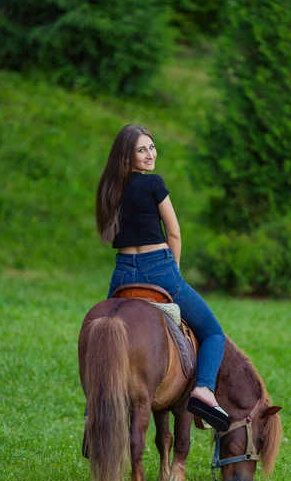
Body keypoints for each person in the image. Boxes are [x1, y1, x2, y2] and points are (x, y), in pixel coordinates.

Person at [95, 124, 230, 432]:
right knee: (212, 333)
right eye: (142, 150)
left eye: (152, 147)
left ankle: (95, 413)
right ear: (126, 157)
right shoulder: (154, 183)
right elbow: (174, 232)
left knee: (104, 342)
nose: (150, 154)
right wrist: (174, 271)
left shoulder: (109, 189)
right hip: (160, 268)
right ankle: (204, 390)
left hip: (122, 273)